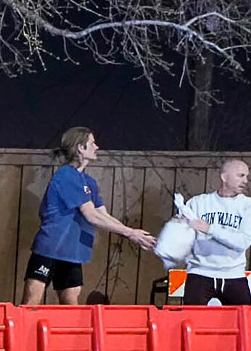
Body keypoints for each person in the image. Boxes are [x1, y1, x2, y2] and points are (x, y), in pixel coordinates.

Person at [22, 126, 154, 305]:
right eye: (92, 143)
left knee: (70, 301)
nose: (97, 147)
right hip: (51, 247)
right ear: (80, 148)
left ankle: (68, 333)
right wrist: (129, 233)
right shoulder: (66, 176)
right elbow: (91, 215)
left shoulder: (88, 182)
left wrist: (129, 232)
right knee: (32, 302)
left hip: (70, 252)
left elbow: (103, 215)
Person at [178, 158, 251, 306]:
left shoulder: (247, 206)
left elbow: (242, 242)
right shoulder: (198, 203)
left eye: (247, 176)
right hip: (200, 273)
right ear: (224, 177)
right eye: (240, 175)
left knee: (245, 324)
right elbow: (182, 236)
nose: (245, 181)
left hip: (233, 275)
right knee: (191, 322)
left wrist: (210, 229)